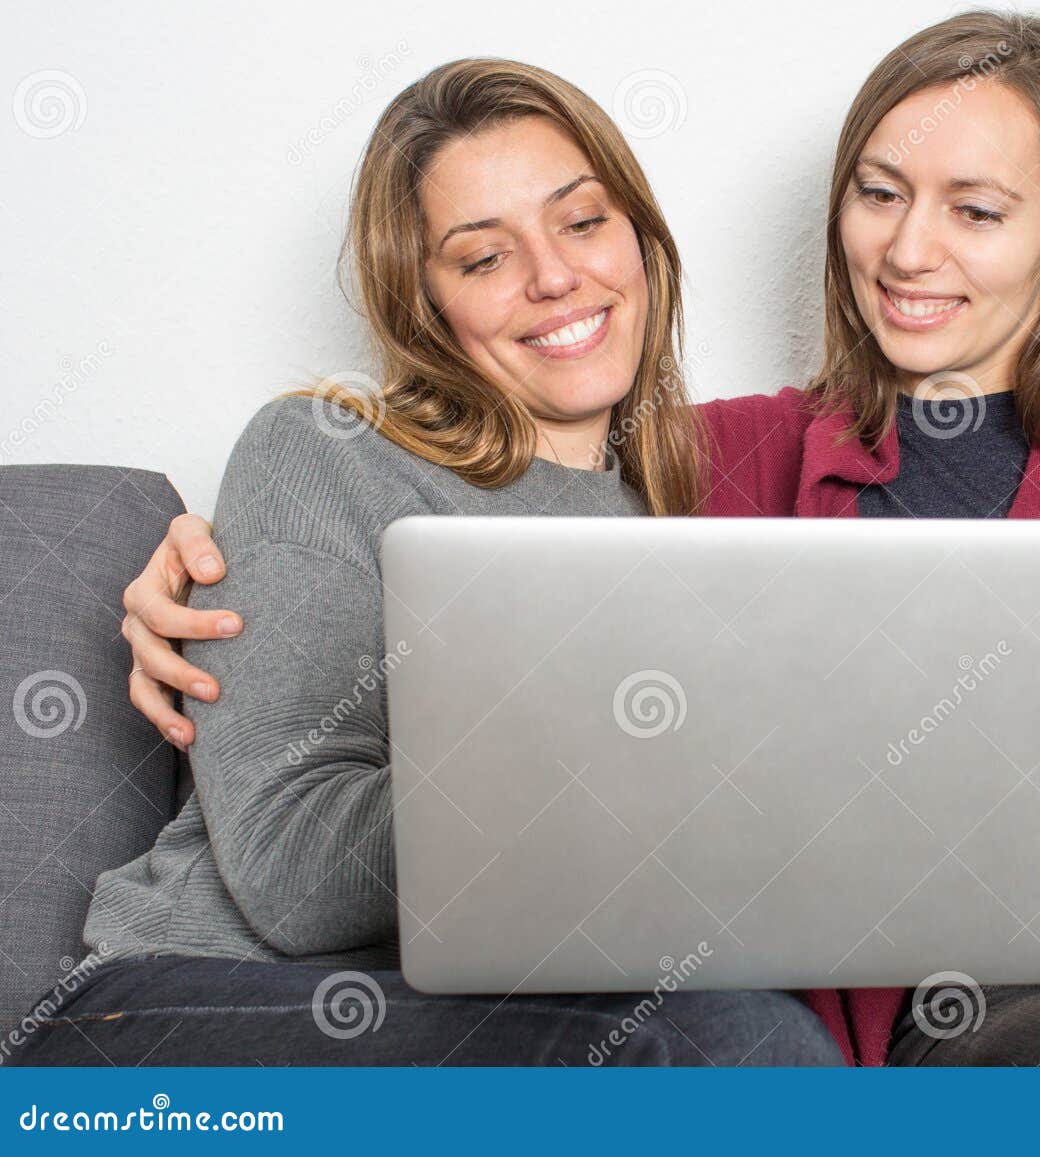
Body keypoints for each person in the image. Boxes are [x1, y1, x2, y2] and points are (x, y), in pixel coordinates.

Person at [108, 11, 1040, 1068]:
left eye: (978, 210)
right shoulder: (733, 464)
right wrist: (209, 560)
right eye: (879, 192)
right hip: (974, 1011)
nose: (910, 252)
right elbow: (447, 529)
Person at [1, 57, 840, 1068]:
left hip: (502, 1011)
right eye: (482, 258)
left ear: (641, 240)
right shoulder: (326, 450)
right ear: (424, 302)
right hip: (174, 1006)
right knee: (735, 1040)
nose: (553, 276)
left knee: (750, 1022)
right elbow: (290, 873)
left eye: (582, 221)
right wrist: (605, 777)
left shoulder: (694, 510)